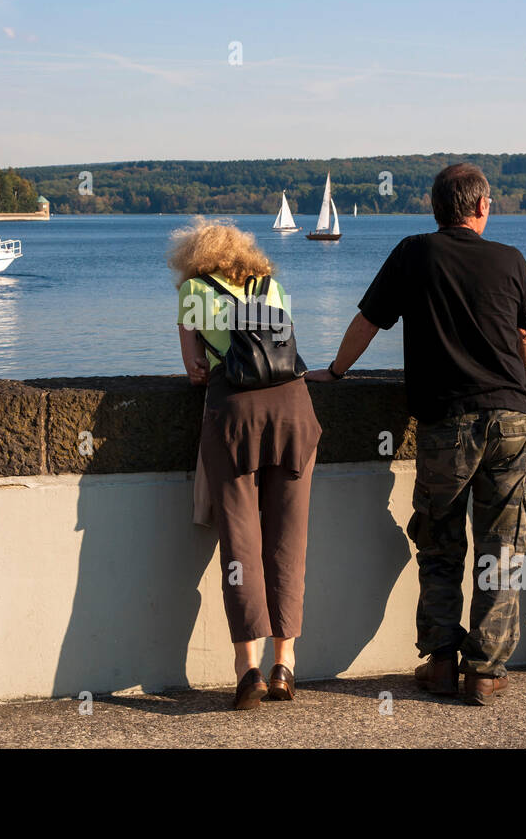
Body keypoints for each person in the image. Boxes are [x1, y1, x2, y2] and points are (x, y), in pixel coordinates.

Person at [308, 163, 526, 706]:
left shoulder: (414, 252)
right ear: (482, 207)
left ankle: (439, 662)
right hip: (510, 417)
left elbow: (368, 319)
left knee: (439, 542)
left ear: (437, 209)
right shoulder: (512, 260)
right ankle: (485, 670)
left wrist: (336, 372)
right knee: (502, 546)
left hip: (444, 423)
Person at [169, 218, 321, 710]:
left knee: (240, 541)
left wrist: (209, 360)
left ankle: (247, 670)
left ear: (193, 257)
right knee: (288, 538)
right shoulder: (271, 284)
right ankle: (285, 665)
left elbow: (195, 371)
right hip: (294, 410)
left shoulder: (194, 289)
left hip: (233, 414)